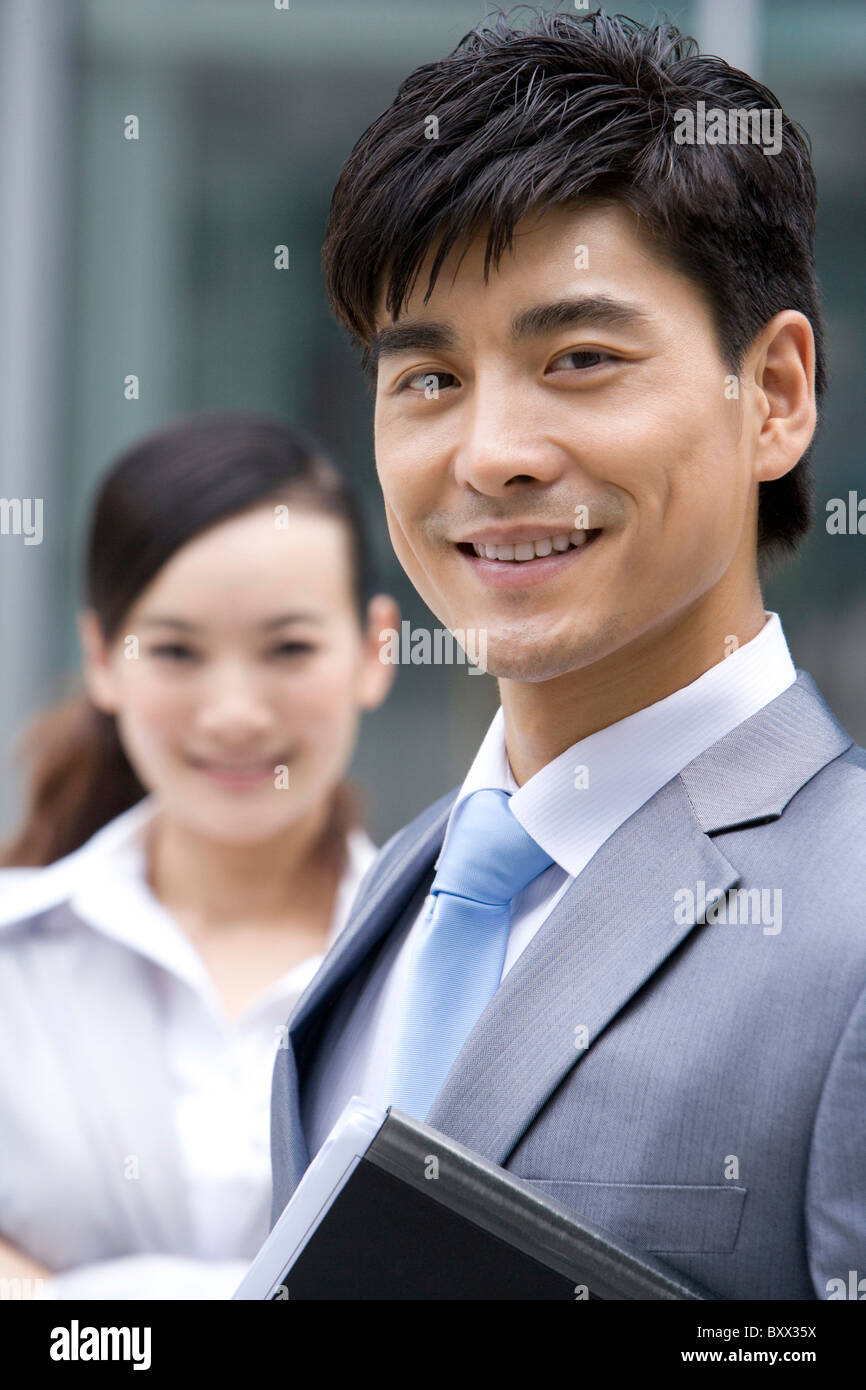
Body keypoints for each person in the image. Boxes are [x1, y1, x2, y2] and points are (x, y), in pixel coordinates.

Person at [269, 9, 866, 1301]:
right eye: (426, 379)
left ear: (771, 395)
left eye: (578, 359)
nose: (491, 453)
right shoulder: (401, 888)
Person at [0, 410, 398, 1298]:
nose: (233, 714)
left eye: (288, 648)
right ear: (103, 657)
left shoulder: (448, 965)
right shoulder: (11, 956)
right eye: (176, 650)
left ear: (376, 651)